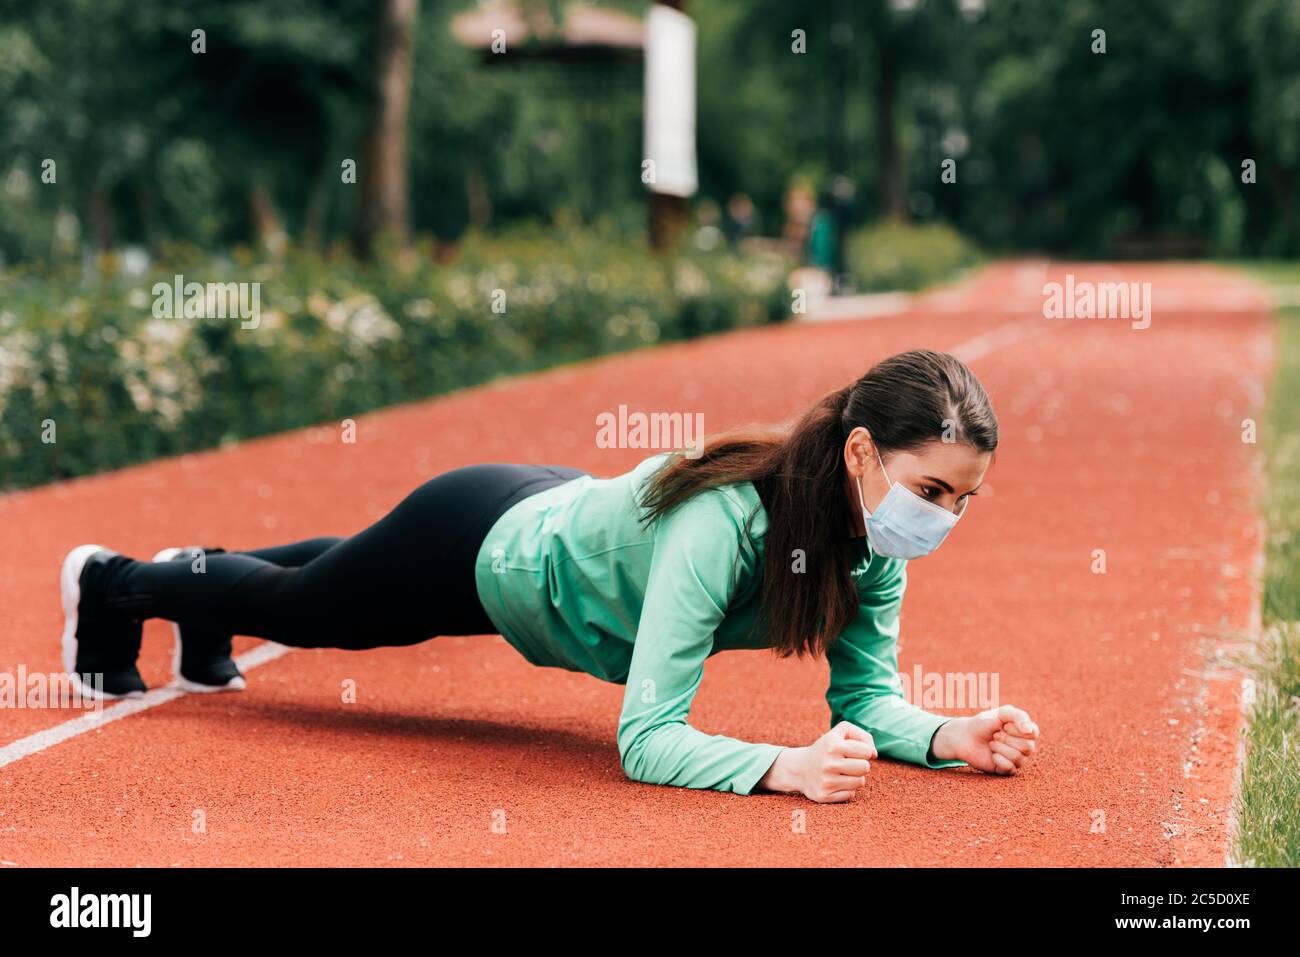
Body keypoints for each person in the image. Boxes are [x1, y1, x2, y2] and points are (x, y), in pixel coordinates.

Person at [59, 348, 1039, 803]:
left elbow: (867, 696)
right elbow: (647, 742)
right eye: (932, 488)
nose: (942, 518)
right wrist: (778, 766)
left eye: (962, 500)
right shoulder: (725, 521)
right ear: (863, 454)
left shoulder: (871, 549)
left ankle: (196, 613)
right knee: (311, 613)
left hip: (545, 515)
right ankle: (113, 585)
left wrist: (949, 733)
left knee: (330, 577)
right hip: (482, 543)